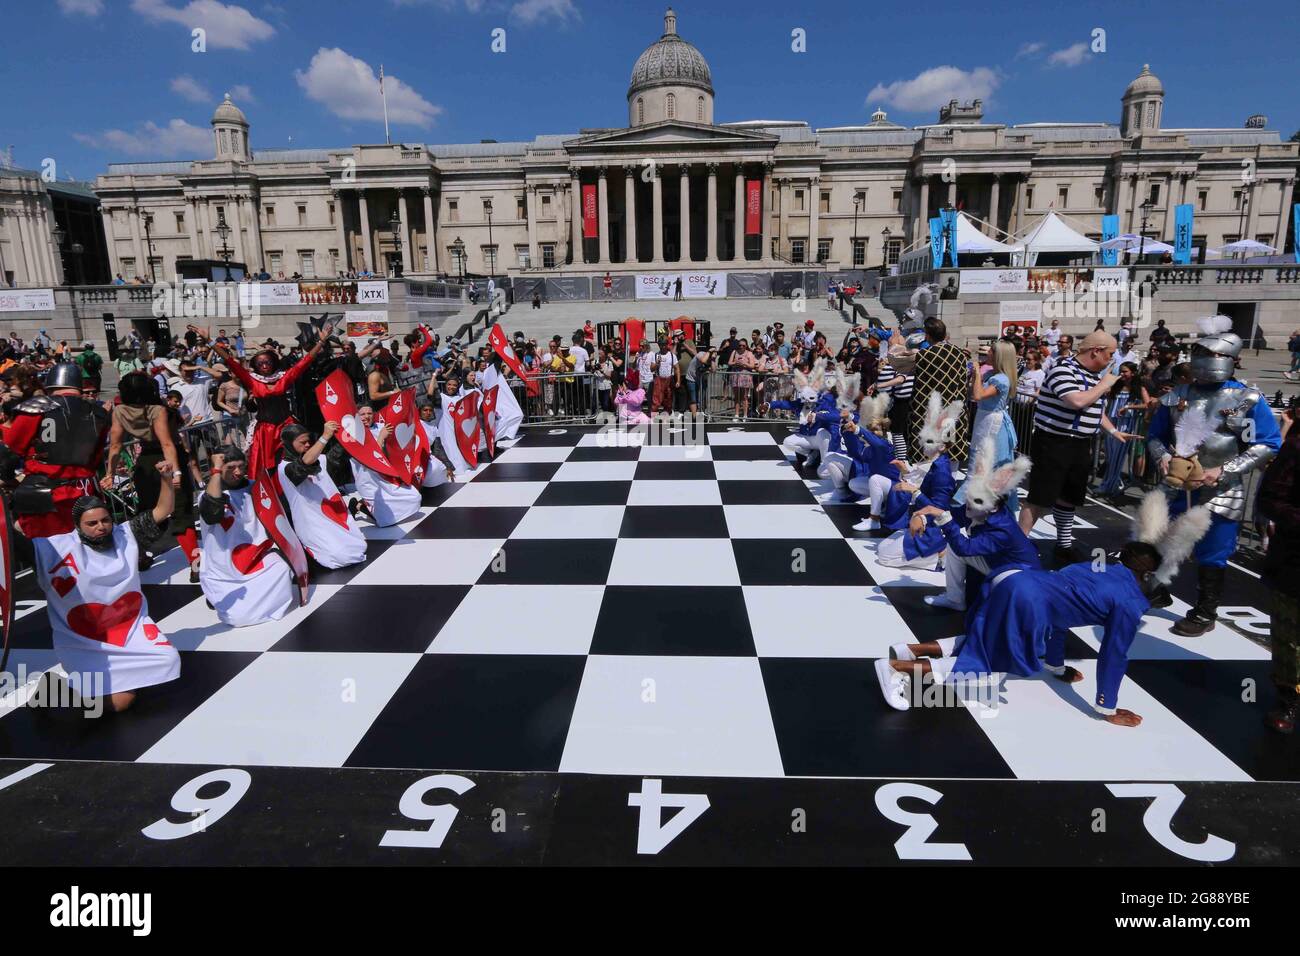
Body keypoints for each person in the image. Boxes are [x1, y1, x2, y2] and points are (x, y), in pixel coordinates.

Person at [1146, 315, 1281, 635]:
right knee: (1159, 539)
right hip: (1176, 483)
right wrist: (1163, 457)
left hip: (1221, 488)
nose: (1207, 360)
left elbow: (1268, 444)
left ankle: (1206, 611)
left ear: (1232, 360)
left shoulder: (1248, 398)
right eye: (1202, 353)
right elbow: (1155, 435)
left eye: (1215, 355)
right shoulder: (1177, 394)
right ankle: (1156, 590)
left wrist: (1225, 469)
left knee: (1213, 552)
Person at [34, 475, 182, 714]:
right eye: (91, 524)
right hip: (84, 641)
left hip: (129, 631)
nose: (101, 527)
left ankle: (114, 681)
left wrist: (165, 479)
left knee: (168, 659)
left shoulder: (126, 534)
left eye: (105, 520)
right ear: (77, 526)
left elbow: (163, 510)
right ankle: (52, 693)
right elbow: (12, 545)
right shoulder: (55, 547)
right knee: (118, 703)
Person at [1018, 331, 1137, 561]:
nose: (1113, 358)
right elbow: (1077, 401)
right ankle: (1019, 544)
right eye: (1110, 353)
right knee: (1040, 497)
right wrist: (1104, 385)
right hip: (1055, 442)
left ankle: (1063, 545)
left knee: (1069, 497)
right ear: (1096, 351)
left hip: (1080, 443)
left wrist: (1112, 430)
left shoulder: (1093, 376)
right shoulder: (1064, 369)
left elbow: (1093, 408)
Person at [916, 438, 1037, 612]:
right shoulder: (978, 510)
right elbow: (952, 517)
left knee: (959, 548)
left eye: (976, 500)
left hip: (1019, 576)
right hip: (999, 565)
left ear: (994, 506)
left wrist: (941, 516)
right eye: (969, 497)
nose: (969, 504)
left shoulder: (1001, 528)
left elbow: (965, 548)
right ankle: (955, 599)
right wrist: (923, 515)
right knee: (953, 546)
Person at [103, 371, 200, 577]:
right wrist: (177, 472)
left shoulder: (119, 411)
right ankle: (194, 562)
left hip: (145, 462)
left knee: (148, 511)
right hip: (168, 460)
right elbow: (166, 443)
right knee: (181, 511)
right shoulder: (158, 409)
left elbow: (115, 445)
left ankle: (138, 555)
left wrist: (110, 473)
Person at [209, 321, 332, 479]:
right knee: (266, 466)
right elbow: (231, 362)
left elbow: (304, 362)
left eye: (267, 362)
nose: (264, 365)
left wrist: (321, 341)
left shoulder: (284, 378)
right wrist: (210, 341)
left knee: (296, 460)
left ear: (273, 363)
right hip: (266, 429)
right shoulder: (251, 380)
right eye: (260, 363)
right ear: (256, 365)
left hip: (287, 426)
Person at [0, 362, 111, 538]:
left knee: (49, 554)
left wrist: (9, 479)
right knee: (86, 552)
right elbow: (96, 457)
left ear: (50, 384)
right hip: (85, 493)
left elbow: (8, 452)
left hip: (43, 497)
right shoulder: (98, 412)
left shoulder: (37, 407)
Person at [198, 447, 296, 627]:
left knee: (281, 569)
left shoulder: (255, 487)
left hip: (256, 554)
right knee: (237, 618)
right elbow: (212, 513)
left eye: (241, 467)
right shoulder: (209, 494)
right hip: (224, 563)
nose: (237, 472)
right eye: (230, 468)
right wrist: (216, 470)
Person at [876, 392, 963, 569]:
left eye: (928, 440)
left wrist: (915, 492)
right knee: (881, 547)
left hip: (932, 528)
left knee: (884, 557)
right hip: (922, 520)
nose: (922, 443)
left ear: (941, 445)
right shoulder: (934, 463)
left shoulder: (942, 472)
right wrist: (906, 475)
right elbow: (919, 486)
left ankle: (937, 557)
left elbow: (937, 509)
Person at [1259, 411, 1300, 732]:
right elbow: (1270, 498)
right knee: (1289, 635)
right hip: (1294, 559)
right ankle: (1288, 699)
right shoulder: (1297, 447)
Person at [277, 422, 367, 570]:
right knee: (340, 556)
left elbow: (335, 456)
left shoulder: (319, 459)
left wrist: (350, 431)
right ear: (288, 443)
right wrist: (325, 437)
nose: (307, 445)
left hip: (330, 515)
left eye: (308, 441)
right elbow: (303, 464)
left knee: (358, 546)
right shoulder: (285, 468)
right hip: (311, 522)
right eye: (302, 442)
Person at [954, 340, 1019, 515]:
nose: (986, 353)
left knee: (984, 465)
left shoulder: (1001, 379)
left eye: (991, 350)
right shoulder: (991, 373)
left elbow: (977, 395)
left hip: (993, 427)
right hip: (984, 421)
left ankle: (962, 507)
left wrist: (976, 371)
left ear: (999, 356)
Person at [909, 318, 971, 465]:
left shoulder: (925, 354)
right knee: (951, 452)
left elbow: (921, 388)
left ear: (928, 335)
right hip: (954, 410)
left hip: (932, 411)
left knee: (928, 453)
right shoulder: (960, 353)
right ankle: (951, 483)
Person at [347, 404, 422, 526]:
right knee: (385, 521)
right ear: (357, 416)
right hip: (367, 479)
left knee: (414, 497)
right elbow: (371, 459)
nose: (366, 417)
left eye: (369, 413)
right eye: (363, 414)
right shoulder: (353, 434)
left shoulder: (382, 427)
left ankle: (362, 504)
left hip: (386, 476)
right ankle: (358, 505)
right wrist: (381, 437)